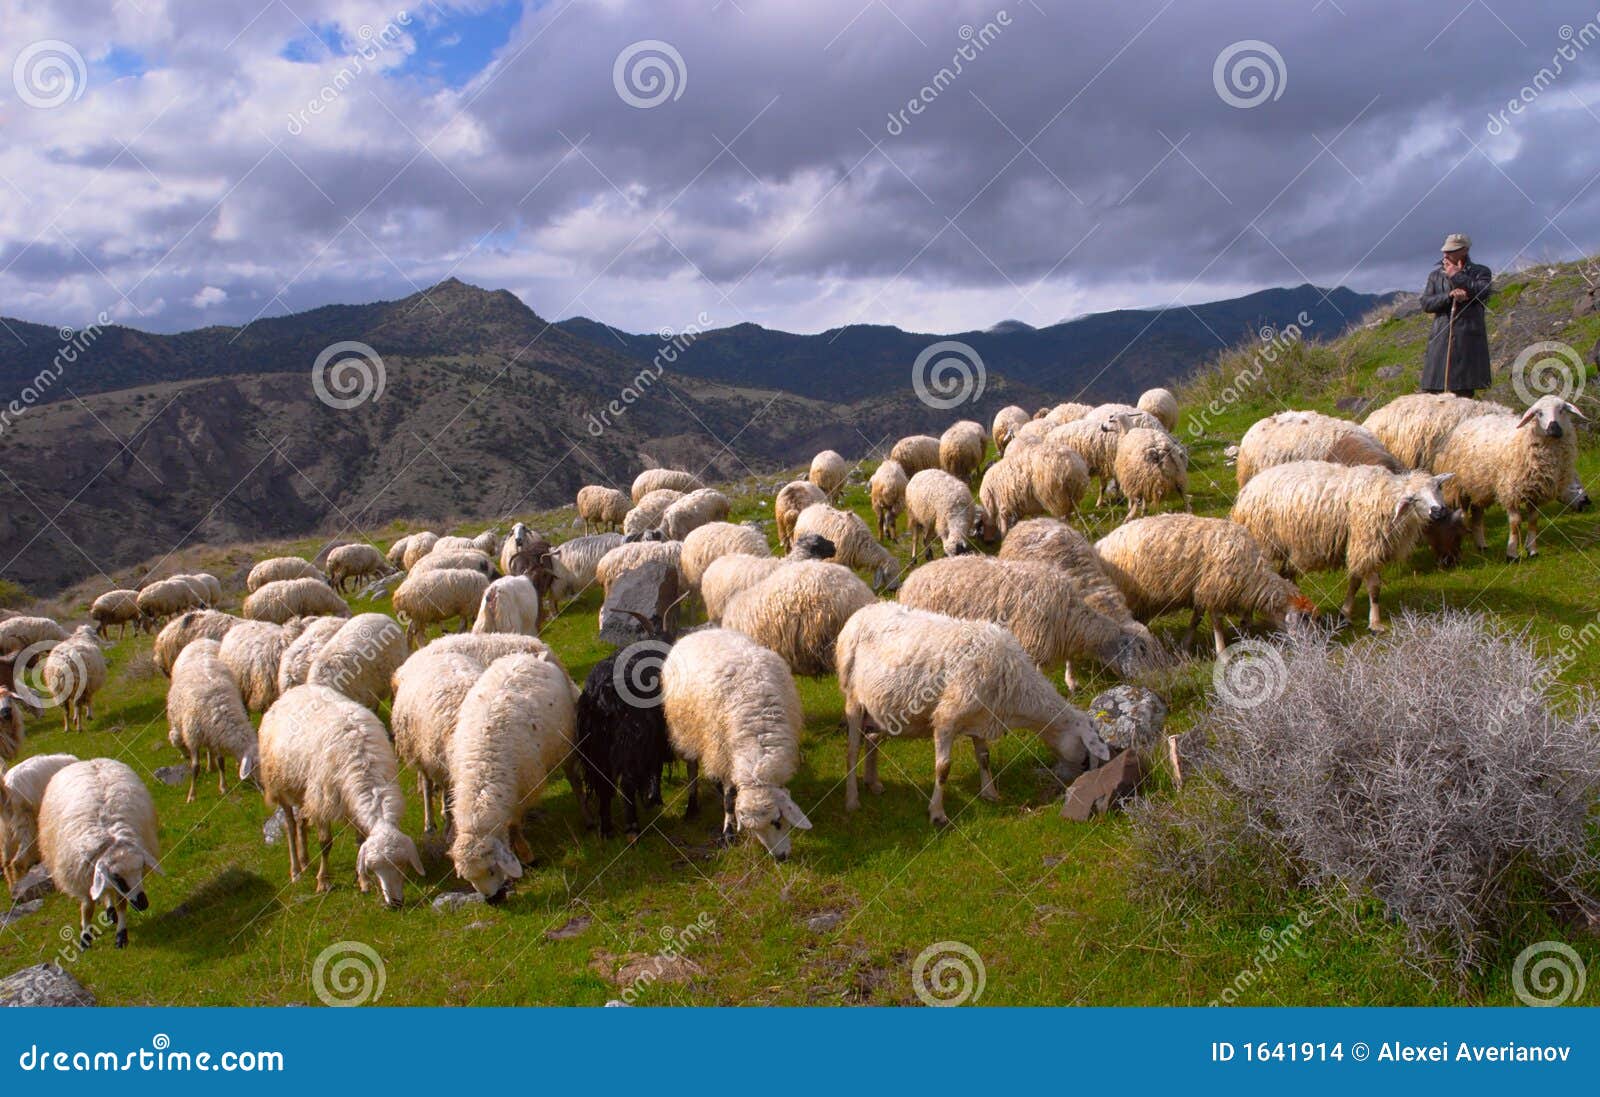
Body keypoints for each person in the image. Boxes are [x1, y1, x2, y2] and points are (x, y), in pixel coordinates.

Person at [1419, 232, 1493, 397]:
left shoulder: (1481, 272)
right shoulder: (1435, 276)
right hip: (1441, 341)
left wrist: (1456, 276)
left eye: (1451, 251)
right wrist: (1449, 296)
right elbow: (1426, 303)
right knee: (1433, 393)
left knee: (1463, 394)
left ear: (1465, 250)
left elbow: (1482, 292)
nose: (1445, 254)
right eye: (1445, 250)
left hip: (1468, 342)